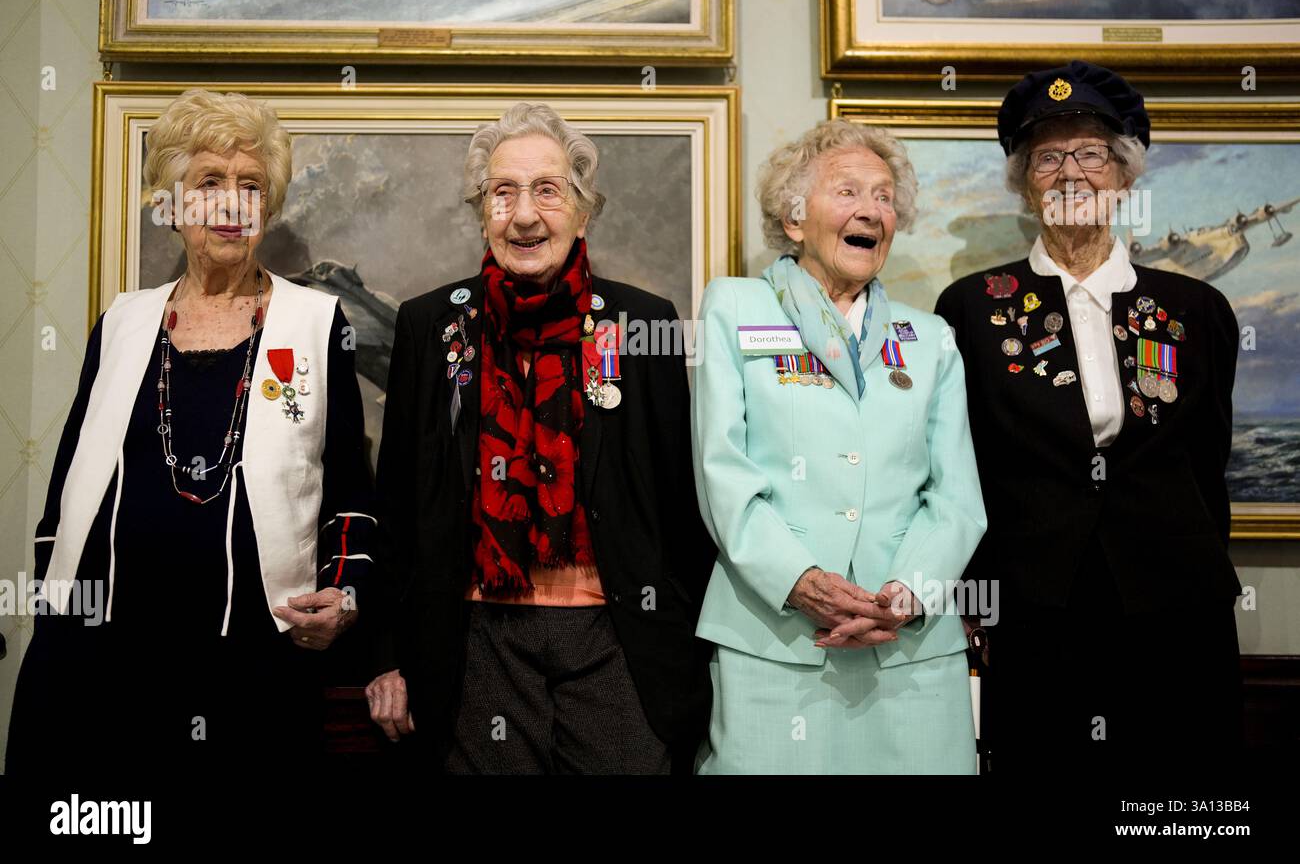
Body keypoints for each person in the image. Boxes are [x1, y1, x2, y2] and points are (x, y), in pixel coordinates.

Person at [6, 89, 375, 771]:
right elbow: (69, 487)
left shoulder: (317, 325)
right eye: (210, 181)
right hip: (105, 654)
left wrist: (346, 592)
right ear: (172, 203)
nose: (234, 203)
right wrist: (53, 604)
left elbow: (351, 492)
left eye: (252, 185)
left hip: (254, 657)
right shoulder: (122, 322)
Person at [365, 102, 713, 773]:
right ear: (481, 211)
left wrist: (691, 652)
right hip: (475, 639)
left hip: (618, 636)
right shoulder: (430, 325)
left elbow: (677, 504)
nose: (524, 215)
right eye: (503, 193)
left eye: (547, 190)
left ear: (582, 209)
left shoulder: (645, 322)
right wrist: (386, 656)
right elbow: (398, 508)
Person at [934, 60, 1244, 772]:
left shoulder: (1196, 311)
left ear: (1125, 175)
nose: (1070, 172)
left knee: (1182, 795)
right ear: (1024, 181)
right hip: (1037, 606)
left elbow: (1206, 464)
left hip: (1175, 605)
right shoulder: (973, 308)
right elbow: (963, 463)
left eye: (1091, 153)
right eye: (1047, 156)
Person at [690, 119, 987, 774]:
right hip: (777, 645)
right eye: (848, 190)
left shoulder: (931, 338)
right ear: (795, 220)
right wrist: (802, 582)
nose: (871, 210)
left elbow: (957, 501)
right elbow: (723, 476)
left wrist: (901, 600)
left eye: (884, 196)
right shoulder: (734, 309)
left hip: (909, 654)